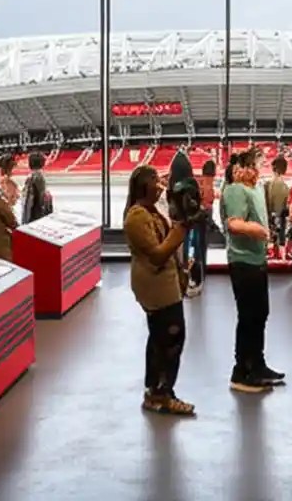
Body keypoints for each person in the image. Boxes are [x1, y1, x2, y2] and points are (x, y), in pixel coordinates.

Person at [123, 165, 195, 416]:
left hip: (165, 282)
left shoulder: (153, 210)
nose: (161, 183)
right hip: (155, 286)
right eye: (155, 179)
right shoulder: (137, 216)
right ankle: (162, 394)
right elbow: (156, 255)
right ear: (143, 185)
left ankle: (155, 391)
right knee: (171, 337)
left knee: (159, 337)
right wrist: (181, 232)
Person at [220, 149, 282, 392]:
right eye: (256, 164)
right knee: (248, 317)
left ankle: (257, 363)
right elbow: (233, 223)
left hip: (256, 260)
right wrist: (256, 230)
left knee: (260, 314)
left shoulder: (256, 188)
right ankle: (242, 371)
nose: (259, 169)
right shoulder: (236, 190)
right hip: (243, 261)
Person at [184, 159, 216, 296]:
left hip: (195, 216)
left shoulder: (198, 181)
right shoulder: (209, 184)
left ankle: (193, 271)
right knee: (201, 246)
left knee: (195, 244)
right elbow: (208, 203)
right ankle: (201, 272)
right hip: (203, 217)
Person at [265, 157, 291, 261]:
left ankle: (275, 251)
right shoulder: (281, 185)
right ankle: (276, 252)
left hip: (272, 214)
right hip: (278, 215)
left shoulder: (270, 183)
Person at [21, 151, 52, 223]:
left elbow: (28, 201)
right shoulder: (41, 176)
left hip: (34, 214)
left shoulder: (32, 178)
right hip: (41, 212)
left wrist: (25, 221)